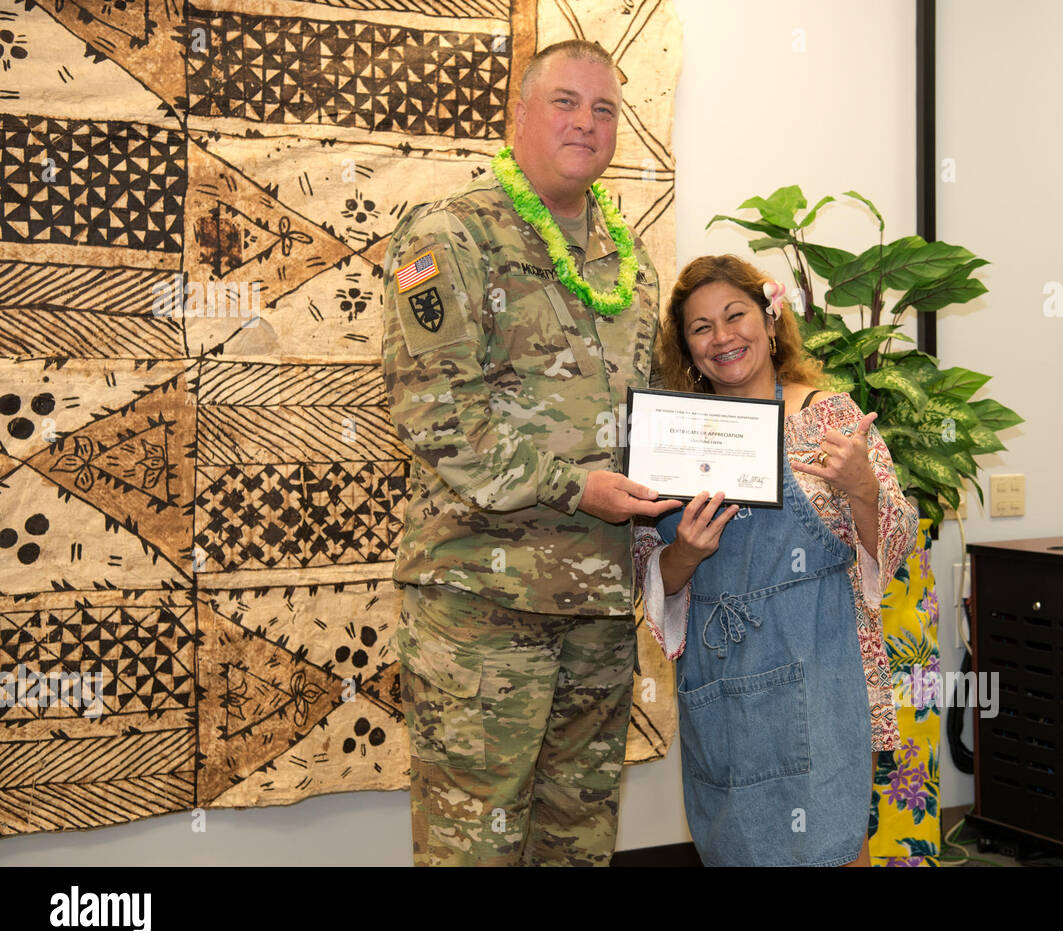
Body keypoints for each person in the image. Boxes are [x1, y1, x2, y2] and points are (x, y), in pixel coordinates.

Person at [380, 39, 678, 866]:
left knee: (579, 839)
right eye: (566, 102)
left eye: (605, 109)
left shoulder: (627, 260)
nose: (587, 122)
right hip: (483, 605)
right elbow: (437, 415)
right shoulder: (447, 237)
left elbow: (645, 412)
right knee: (474, 841)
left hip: (599, 611)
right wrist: (576, 490)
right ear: (518, 116)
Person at [633, 254, 919, 866]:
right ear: (686, 347)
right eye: (701, 327)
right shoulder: (675, 436)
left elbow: (891, 549)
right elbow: (651, 578)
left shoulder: (831, 416)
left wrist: (863, 486)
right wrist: (684, 552)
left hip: (824, 666)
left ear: (770, 318)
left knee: (837, 847)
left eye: (735, 315)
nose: (722, 337)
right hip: (724, 678)